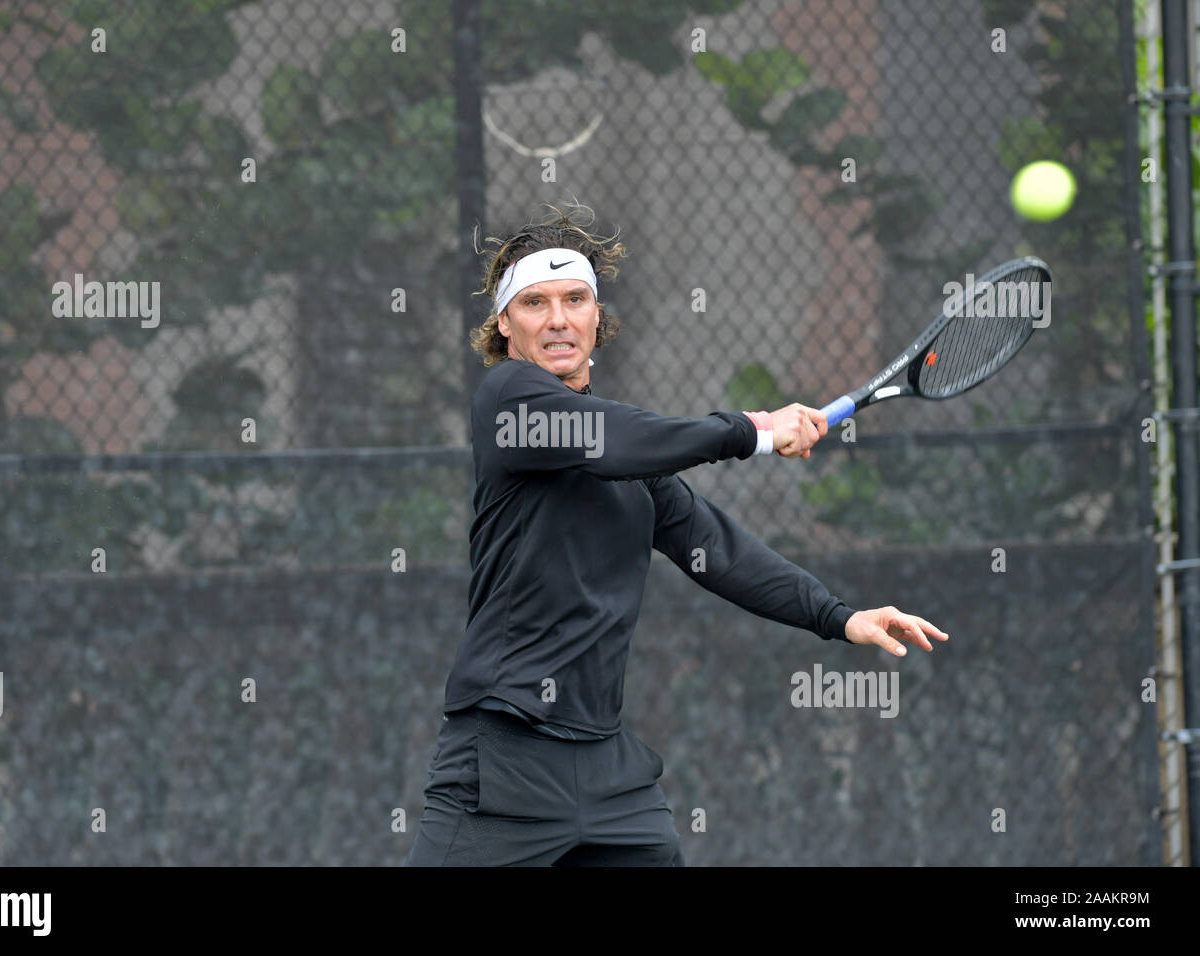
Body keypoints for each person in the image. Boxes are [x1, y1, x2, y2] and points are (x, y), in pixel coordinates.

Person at [405, 203, 948, 866]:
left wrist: (839, 616)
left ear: (597, 317)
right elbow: (610, 438)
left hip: (610, 776)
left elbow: (716, 550)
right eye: (535, 304)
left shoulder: (635, 466)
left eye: (575, 299)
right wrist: (750, 431)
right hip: (501, 761)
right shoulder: (508, 402)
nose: (557, 320)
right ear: (505, 328)